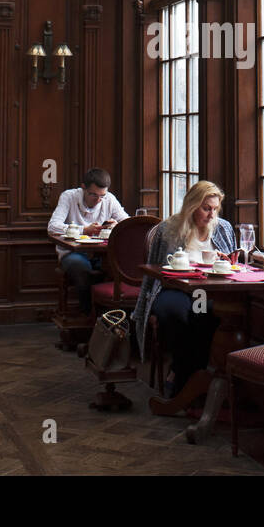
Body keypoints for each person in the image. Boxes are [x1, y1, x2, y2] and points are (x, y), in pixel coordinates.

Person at [131, 180, 235, 398]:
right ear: (192, 206)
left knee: (204, 314)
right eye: (206, 208)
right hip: (172, 288)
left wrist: (225, 261)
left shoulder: (222, 228)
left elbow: (233, 264)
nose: (211, 215)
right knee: (176, 314)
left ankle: (182, 377)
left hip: (206, 291)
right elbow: (156, 270)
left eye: (215, 209)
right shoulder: (170, 229)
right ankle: (188, 378)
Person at [47, 168, 129, 314]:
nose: (98, 200)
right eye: (93, 195)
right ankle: (89, 314)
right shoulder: (69, 196)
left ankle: (109, 317)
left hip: (101, 253)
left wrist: (117, 226)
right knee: (81, 268)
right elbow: (53, 227)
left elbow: (127, 223)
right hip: (73, 253)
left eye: (102, 196)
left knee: (118, 267)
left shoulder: (108, 199)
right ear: (83, 187)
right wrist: (84, 230)